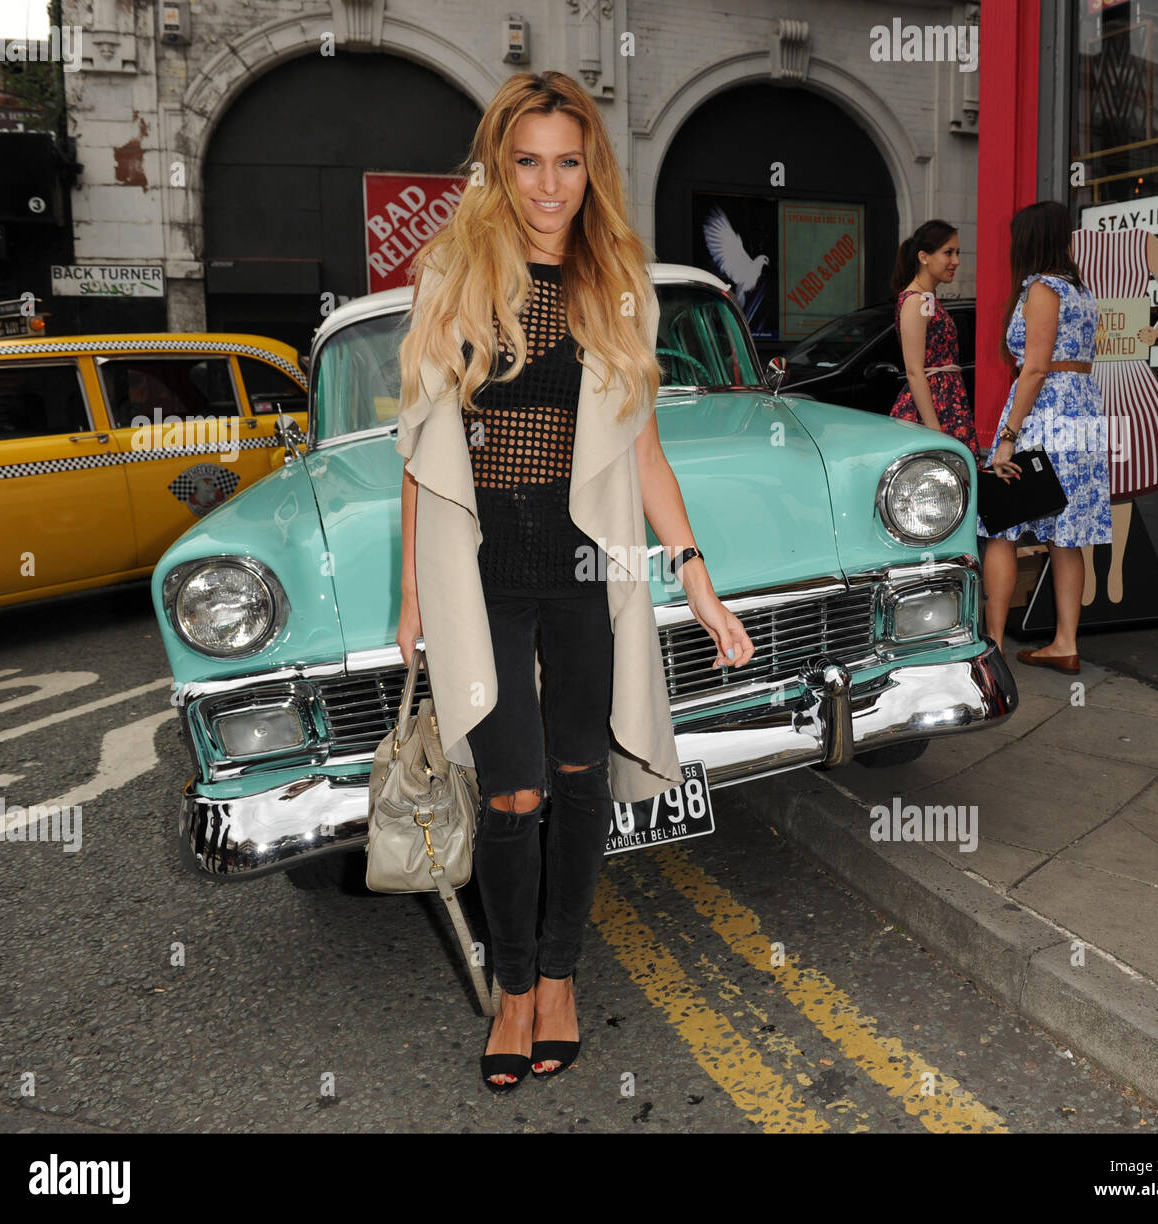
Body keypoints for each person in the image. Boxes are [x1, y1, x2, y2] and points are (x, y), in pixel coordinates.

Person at [393, 70, 755, 1093]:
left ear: (589, 167)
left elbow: (641, 454)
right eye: (526, 163)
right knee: (511, 794)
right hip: (480, 573)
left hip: (587, 568)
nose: (549, 186)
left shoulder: (617, 286)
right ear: (497, 168)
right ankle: (513, 989)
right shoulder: (452, 278)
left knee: (580, 780)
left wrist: (694, 573)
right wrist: (413, 595)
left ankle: (560, 975)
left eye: (566, 162)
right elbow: (418, 447)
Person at [980, 200, 1113, 672]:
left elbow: (1034, 368)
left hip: (1044, 414)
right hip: (1082, 412)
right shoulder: (1080, 291)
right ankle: (1065, 643)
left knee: (1000, 526)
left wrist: (1008, 437)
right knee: (1067, 535)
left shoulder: (1041, 288)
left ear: (1028, 239)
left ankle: (992, 645)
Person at [889, 220, 978, 457]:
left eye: (957, 253)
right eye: (948, 253)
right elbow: (914, 371)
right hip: (933, 409)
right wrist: (933, 429)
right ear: (923, 257)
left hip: (946, 403)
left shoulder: (927, 298)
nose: (956, 261)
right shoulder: (917, 300)